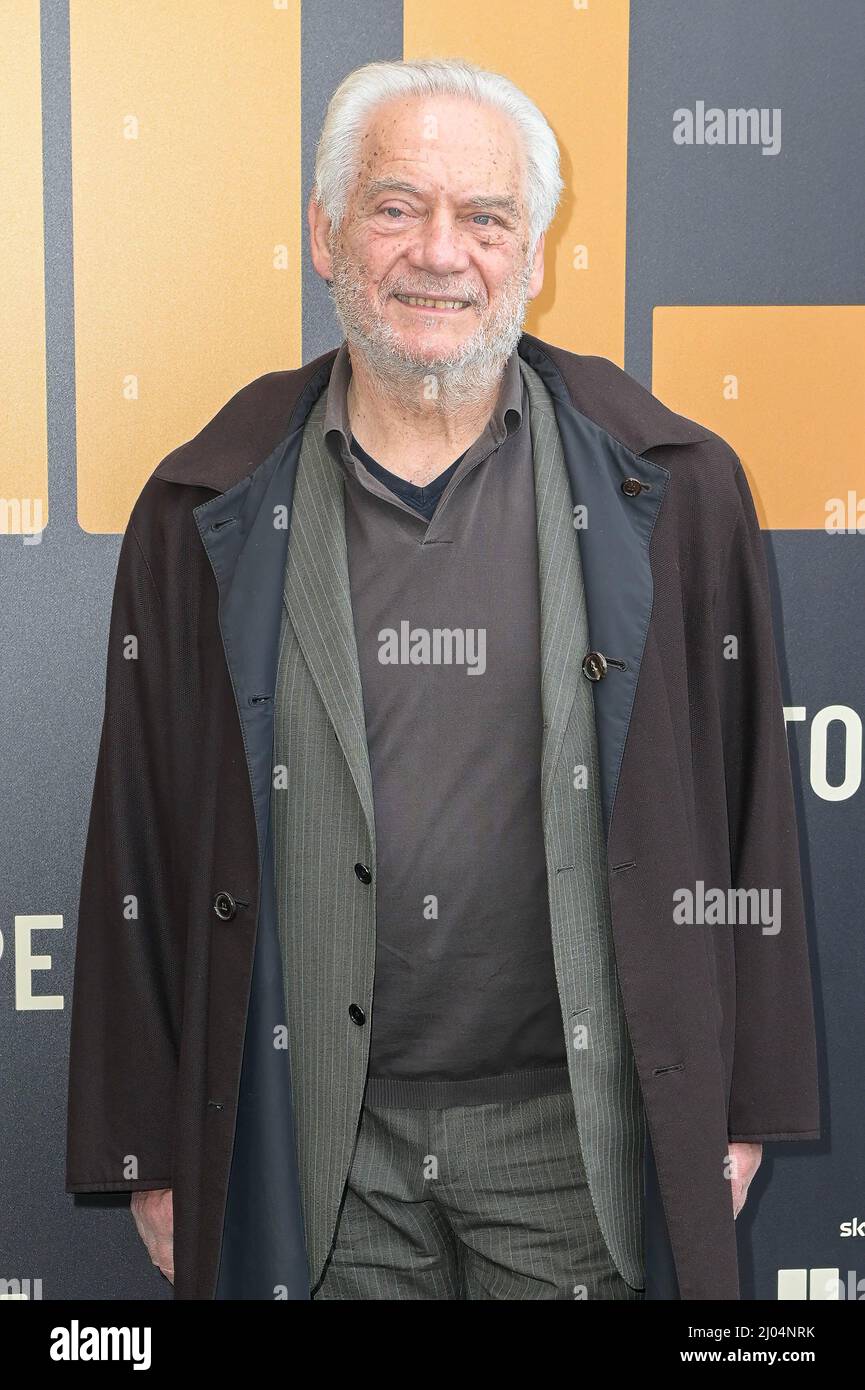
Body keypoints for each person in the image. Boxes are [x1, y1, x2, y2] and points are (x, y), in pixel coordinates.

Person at [67, 57, 819, 1301]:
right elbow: (139, 837)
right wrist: (150, 1150)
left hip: (581, 1139)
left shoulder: (674, 489)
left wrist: (738, 1103)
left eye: (486, 218)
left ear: (534, 254)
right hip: (309, 1139)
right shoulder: (206, 499)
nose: (440, 253)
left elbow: (746, 817)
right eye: (396, 205)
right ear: (325, 233)